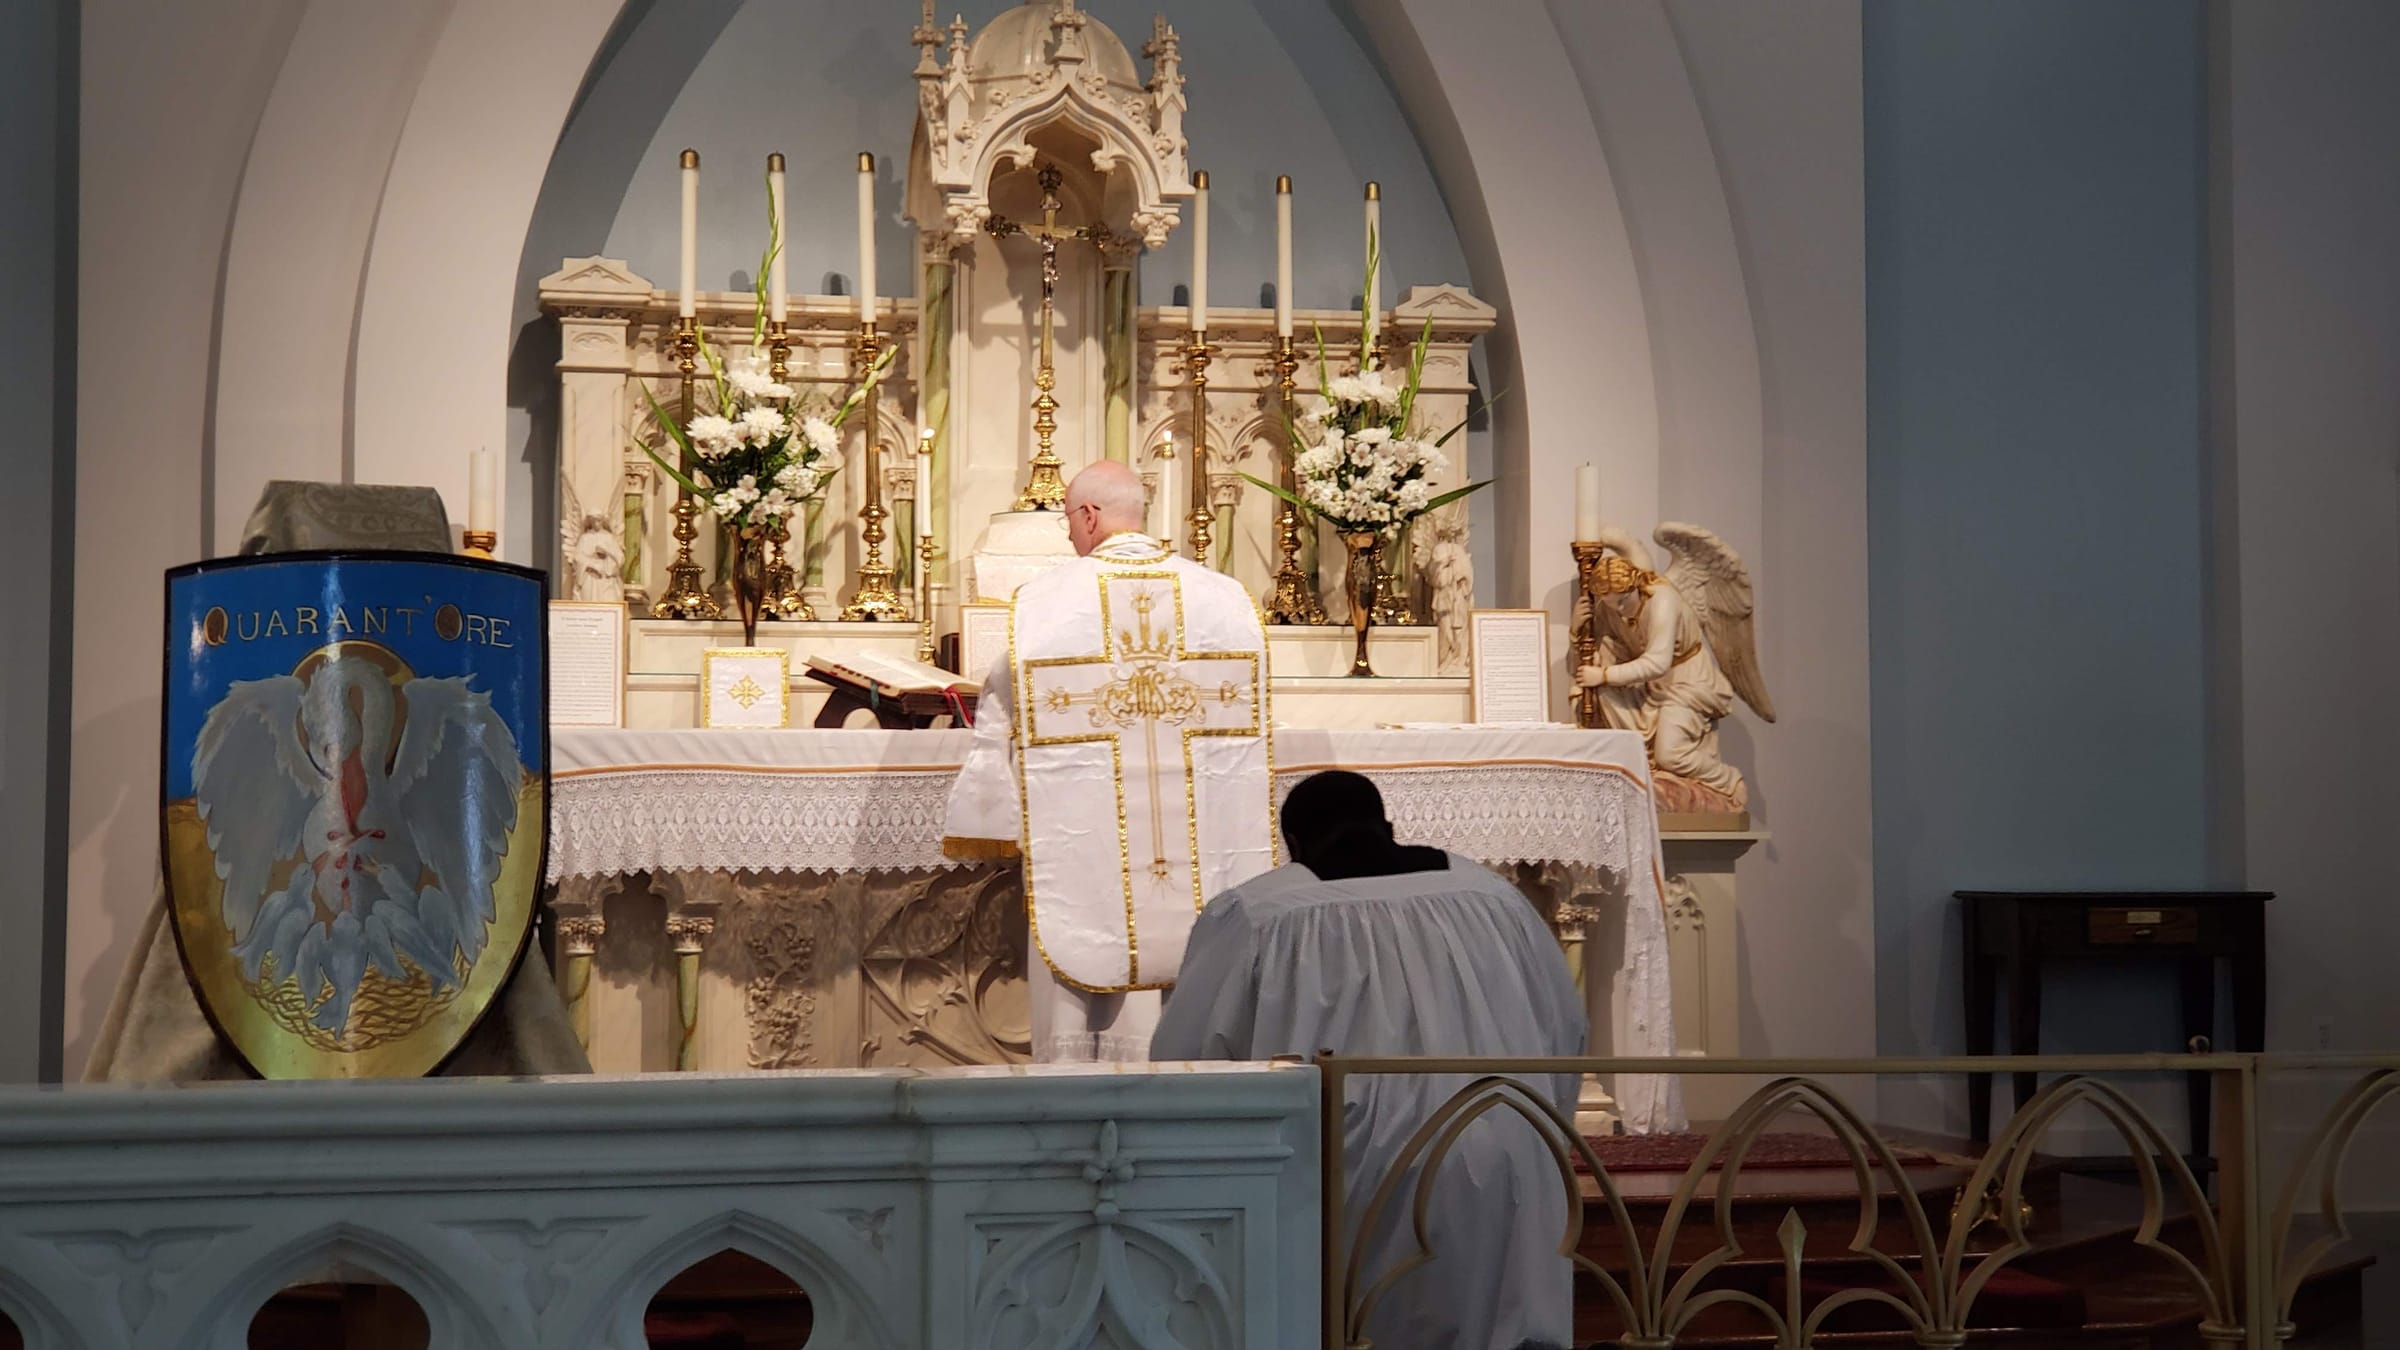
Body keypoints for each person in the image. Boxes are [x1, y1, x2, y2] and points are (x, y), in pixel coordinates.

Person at [1152, 770, 1585, 1350]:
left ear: (1295, 846)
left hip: (1354, 1159)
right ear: (1387, 826)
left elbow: (1191, 1064)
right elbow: (1563, 1025)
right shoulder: (1492, 897)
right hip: (1508, 1131)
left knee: (1369, 1320)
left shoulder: (1259, 912)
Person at [943, 460, 1274, 1062]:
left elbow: (1001, 700)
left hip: (1092, 843)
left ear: (1089, 516)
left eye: (1070, 521)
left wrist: (987, 805)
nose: (1071, 536)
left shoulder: (1047, 604)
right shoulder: (1224, 598)